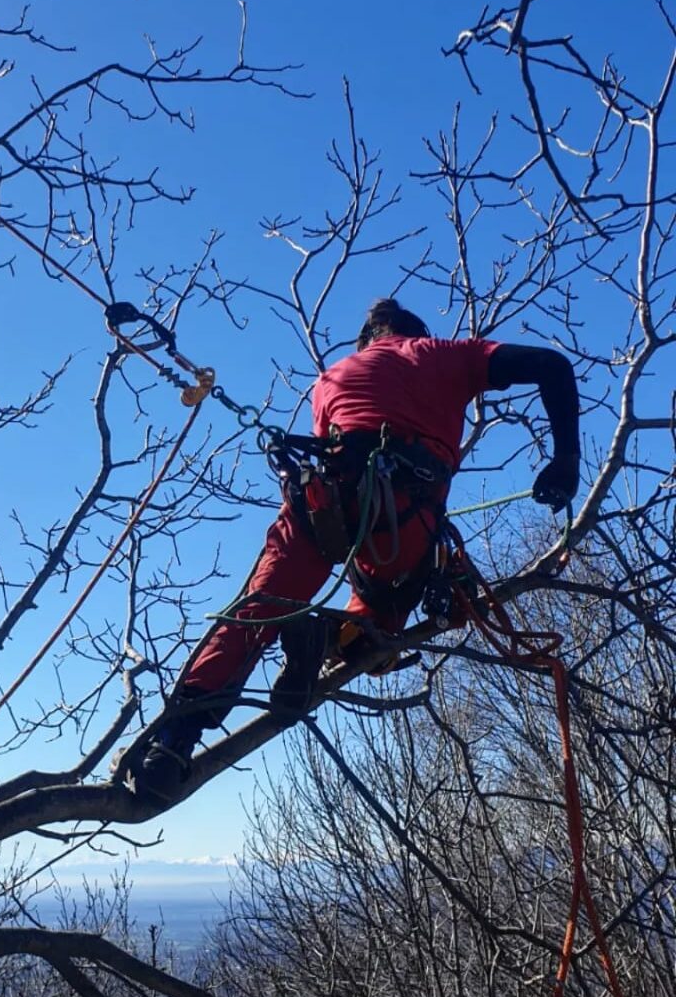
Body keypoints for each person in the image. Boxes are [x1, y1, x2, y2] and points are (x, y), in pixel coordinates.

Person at [130, 298, 581, 801]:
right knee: (381, 618)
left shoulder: (331, 378)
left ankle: (170, 745)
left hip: (324, 497)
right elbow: (552, 366)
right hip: (405, 510)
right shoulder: (442, 354)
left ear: (367, 339)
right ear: (415, 332)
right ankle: (329, 638)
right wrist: (565, 460)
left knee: (261, 607)